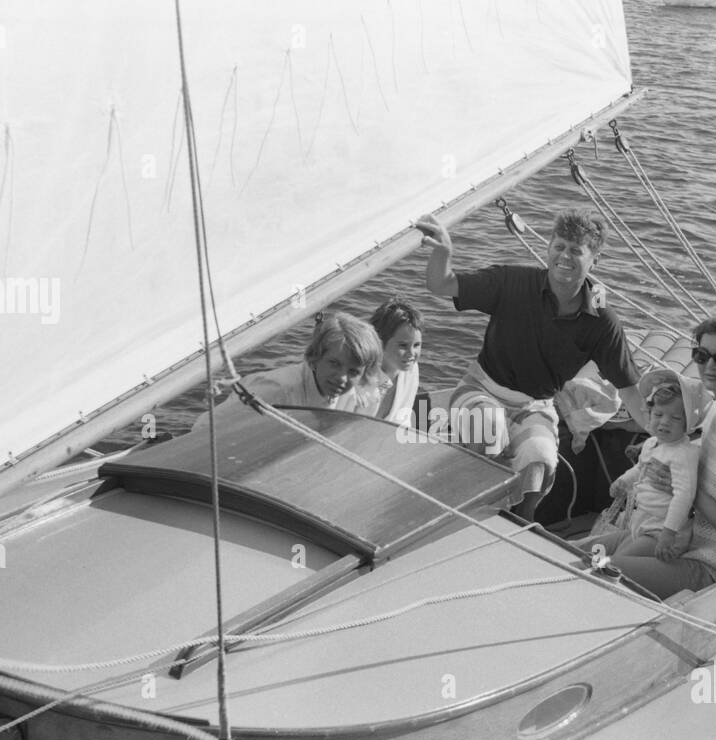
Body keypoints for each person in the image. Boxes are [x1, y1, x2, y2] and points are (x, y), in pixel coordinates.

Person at [414, 210, 649, 520]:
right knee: (488, 428)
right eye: (559, 246)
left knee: (540, 458)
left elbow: (629, 389)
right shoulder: (512, 281)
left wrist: (665, 435)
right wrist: (444, 250)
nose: (565, 256)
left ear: (595, 260)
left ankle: (520, 521)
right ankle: (470, 514)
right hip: (479, 388)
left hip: (535, 405)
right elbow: (441, 285)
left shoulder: (602, 320)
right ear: (548, 248)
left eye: (576, 251)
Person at [612, 311, 716, 599]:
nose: (710, 365)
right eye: (702, 355)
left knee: (601, 567)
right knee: (578, 550)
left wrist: (684, 491)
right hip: (688, 541)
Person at [190, 313, 382, 436]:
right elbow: (204, 429)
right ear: (315, 358)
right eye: (334, 363)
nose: (342, 377)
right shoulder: (276, 390)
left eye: (353, 372)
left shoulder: (350, 395)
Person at [582, 369, 705, 560]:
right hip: (642, 521)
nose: (664, 422)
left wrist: (669, 533)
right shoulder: (651, 443)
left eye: (675, 418)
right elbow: (640, 468)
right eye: (658, 414)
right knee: (590, 550)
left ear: (688, 424)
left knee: (613, 563)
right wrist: (623, 481)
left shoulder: (683, 454)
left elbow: (684, 496)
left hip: (663, 531)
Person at [369, 297, 423, 426]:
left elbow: (403, 421)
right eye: (403, 345)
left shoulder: (411, 370)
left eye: (416, 345)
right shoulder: (362, 377)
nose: (411, 354)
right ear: (380, 342)